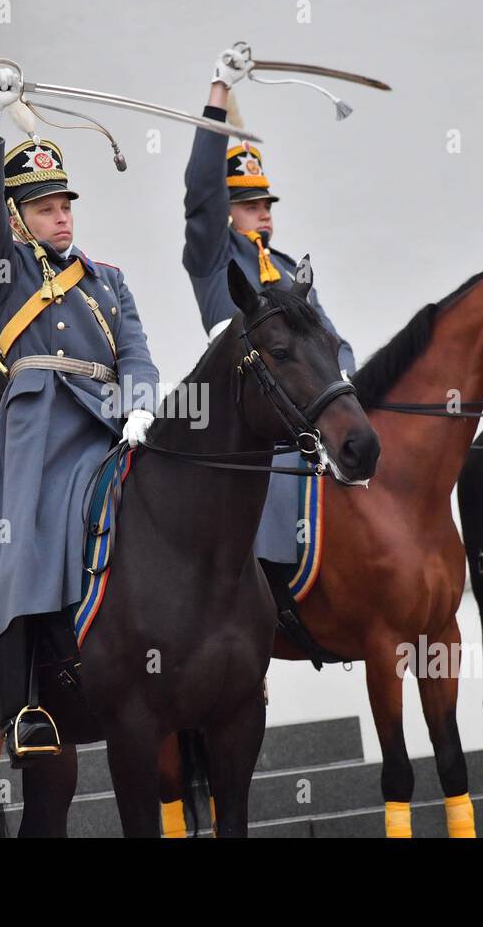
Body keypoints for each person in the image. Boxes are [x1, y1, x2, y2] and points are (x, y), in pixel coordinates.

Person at [0, 65, 160, 761]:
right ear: (19, 217)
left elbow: (136, 355)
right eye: (44, 208)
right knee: (30, 539)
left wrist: (138, 407)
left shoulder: (112, 283)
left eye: (65, 204)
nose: (61, 215)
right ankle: (22, 704)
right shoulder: (4, 269)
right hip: (40, 427)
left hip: (108, 422)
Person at [183, 44, 356, 624]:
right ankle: (269, 589)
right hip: (242, 399)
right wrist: (218, 97)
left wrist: (348, 375)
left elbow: (326, 336)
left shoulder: (284, 267)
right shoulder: (213, 257)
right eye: (250, 205)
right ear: (227, 211)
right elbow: (199, 192)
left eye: (267, 204)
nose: (264, 214)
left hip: (298, 396)